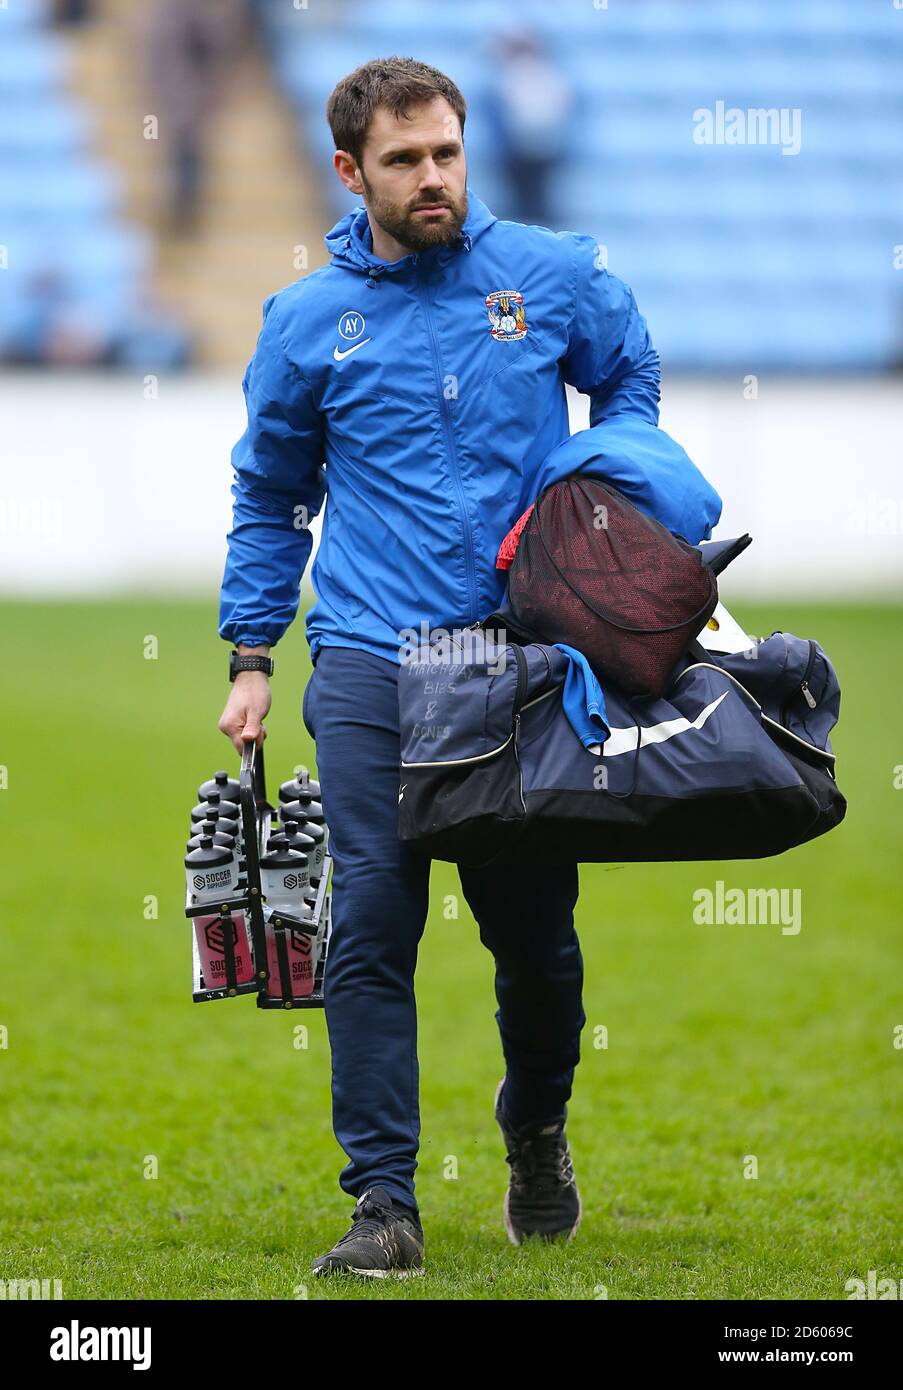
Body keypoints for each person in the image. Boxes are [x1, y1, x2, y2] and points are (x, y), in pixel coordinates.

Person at [217, 57, 721, 1279]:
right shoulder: (301, 324)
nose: (433, 176)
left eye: (445, 151)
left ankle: (535, 1130)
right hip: (370, 662)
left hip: (522, 664)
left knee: (536, 940)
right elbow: (272, 494)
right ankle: (384, 1203)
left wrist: (601, 499)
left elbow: (629, 378)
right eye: (404, 160)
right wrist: (250, 652)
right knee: (371, 924)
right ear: (351, 172)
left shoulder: (550, 273)